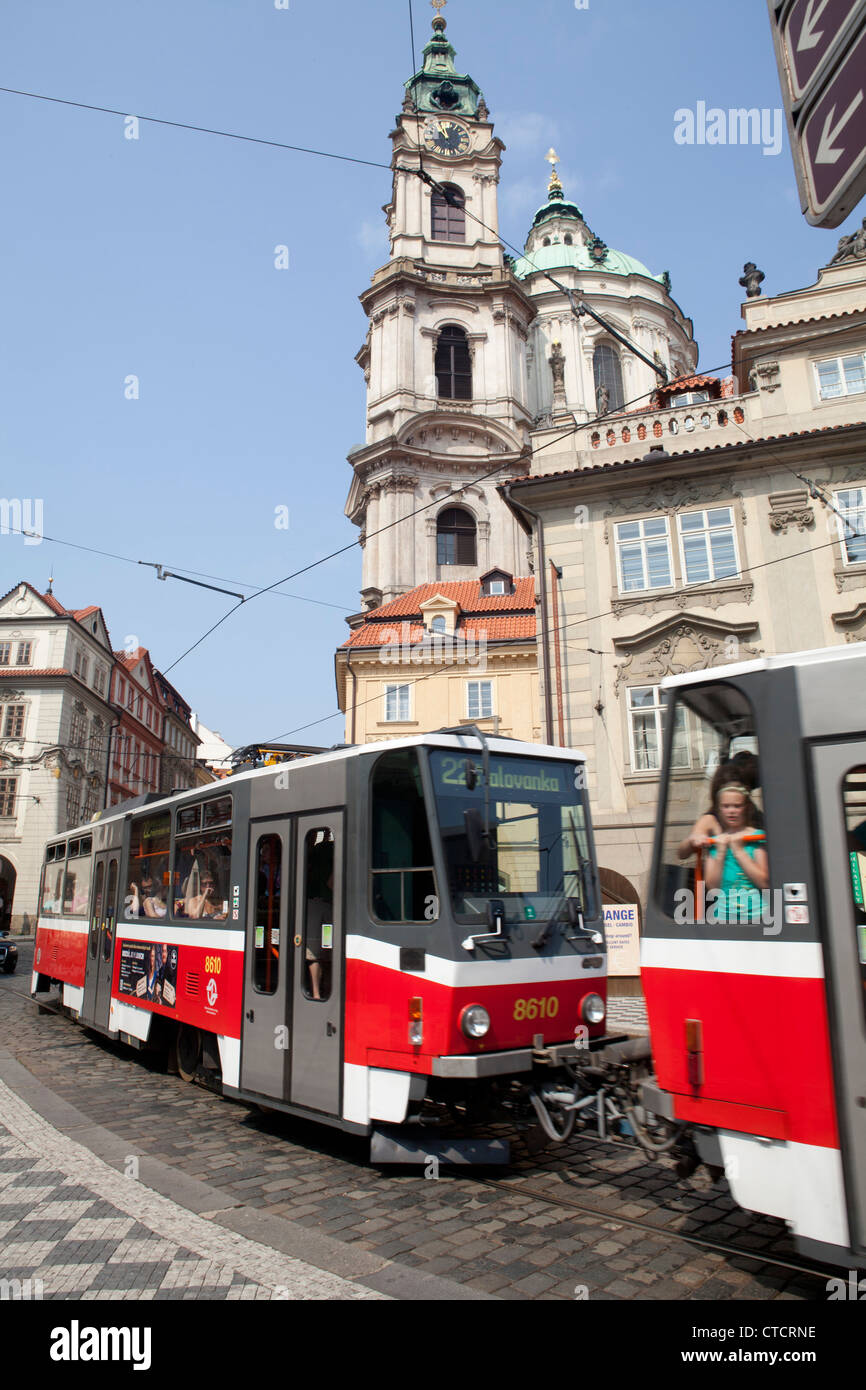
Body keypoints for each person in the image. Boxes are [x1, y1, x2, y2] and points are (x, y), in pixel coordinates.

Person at [703, 783, 768, 924]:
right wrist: (720, 852)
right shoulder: (715, 843)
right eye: (726, 806)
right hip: (724, 918)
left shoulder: (756, 838)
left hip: (757, 915)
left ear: (747, 808)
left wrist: (739, 851)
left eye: (737, 806)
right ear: (719, 810)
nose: (731, 811)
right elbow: (713, 887)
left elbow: (764, 882)